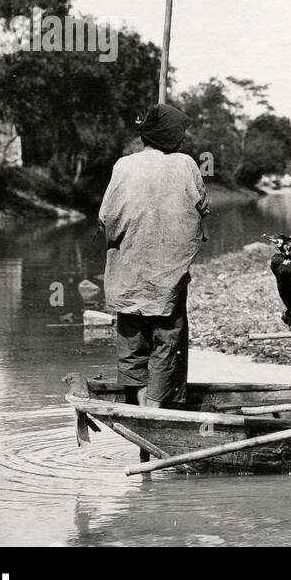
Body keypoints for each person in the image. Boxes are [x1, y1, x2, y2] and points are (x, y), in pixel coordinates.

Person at [99, 103, 208, 408]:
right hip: (167, 277)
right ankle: (156, 409)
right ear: (169, 135)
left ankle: (143, 405)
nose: (183, 139)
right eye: (180, 133)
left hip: (128, 273)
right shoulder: (186, 165)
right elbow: (201, 208)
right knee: (167, 343)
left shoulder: (122, 165)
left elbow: (106, 216)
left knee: (132, 345)